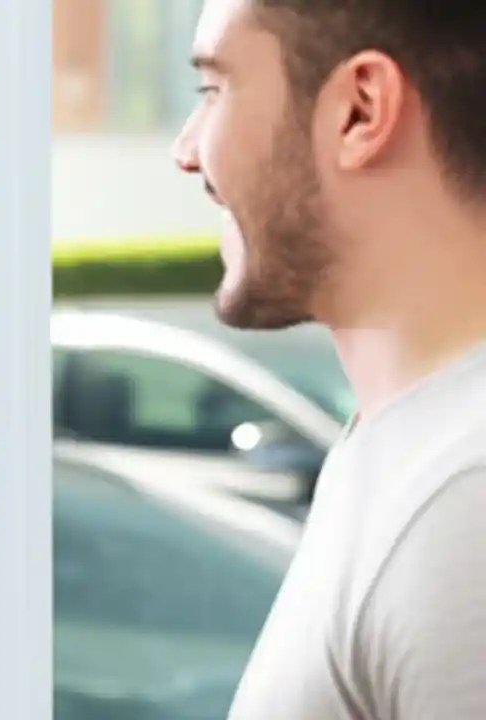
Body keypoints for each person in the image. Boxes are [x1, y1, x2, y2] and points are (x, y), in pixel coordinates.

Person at [174, 0, 486, 718]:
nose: (188, 150)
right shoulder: (408, 450)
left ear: (360, 110)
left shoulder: (467, 506)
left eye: (215, 89)